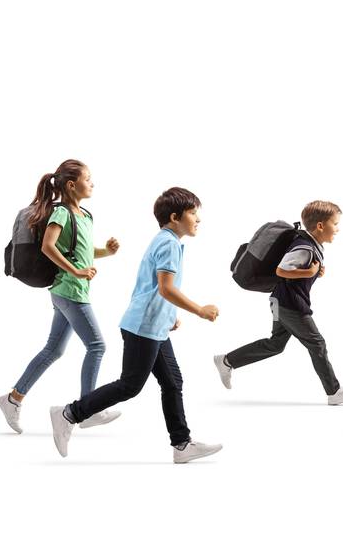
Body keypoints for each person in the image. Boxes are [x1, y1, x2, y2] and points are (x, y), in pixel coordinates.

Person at [49, 187, 222, 464]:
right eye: (193, 213)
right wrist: (200, 310)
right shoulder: (168, 244)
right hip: (144, 327)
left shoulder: (168, 241)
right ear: (175, 217)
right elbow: (166, 289)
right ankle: (69, 413)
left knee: (172, 381)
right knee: (130, 385)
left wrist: (168, 316)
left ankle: (181, 444)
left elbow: (152, 287)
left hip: (154, 325)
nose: (198, 218)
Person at [0, 159, 120, 433]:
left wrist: (105, 252)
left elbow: (82, 251)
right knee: (97, 346)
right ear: (72, 185)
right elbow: (47, 246)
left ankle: (12, 399)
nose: (92, 183)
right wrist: (76, 271)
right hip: (69, 291)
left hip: (70, 290)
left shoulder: (85, 215)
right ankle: (87, 410)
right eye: (88, 179)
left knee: (53, 350)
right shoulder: (61, 213)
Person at [214, 200, 343, 405]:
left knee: (275, 344)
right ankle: (334, 391)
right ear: (320, 226)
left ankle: (226, 361)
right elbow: (281, 270)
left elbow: (294, 270)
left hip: (278, 301)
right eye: (335, 224)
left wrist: (314, 272)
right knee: (317, 343)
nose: (338, 229)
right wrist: (309, 271)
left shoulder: (309, 244)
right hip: (290, 306)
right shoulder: (305, 247)